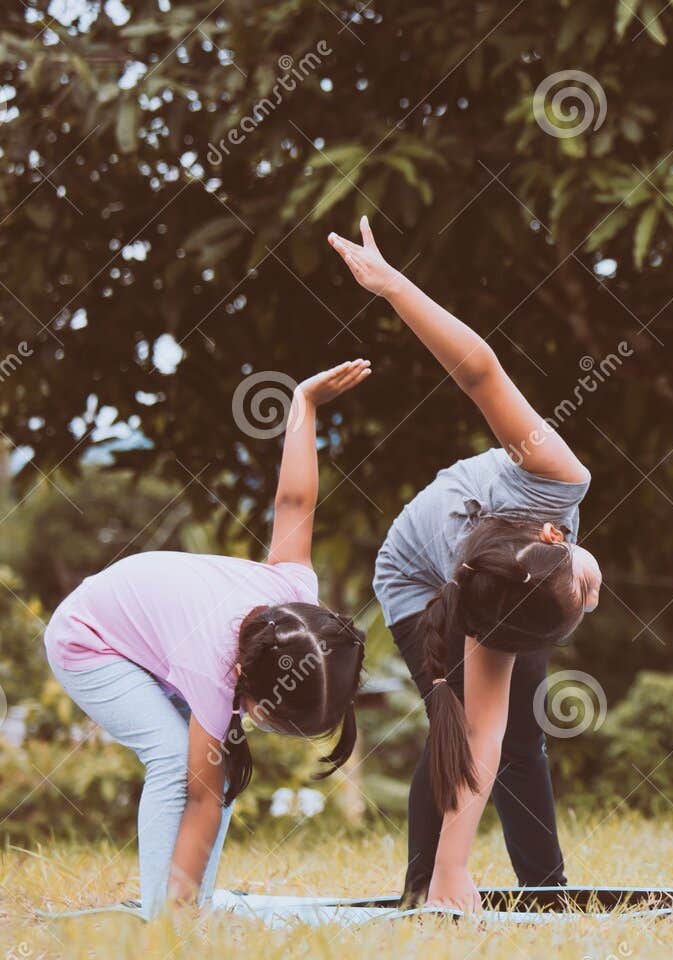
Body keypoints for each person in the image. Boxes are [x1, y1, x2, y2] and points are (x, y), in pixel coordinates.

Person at [329, 218, 601, 913]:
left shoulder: (554, 472)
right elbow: (476, 732)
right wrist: (454, 872)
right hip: (415, 578)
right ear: (552, 536)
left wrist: (393, 286)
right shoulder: (487, 597)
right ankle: (427, 887)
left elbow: (479, 371)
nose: (594, 596)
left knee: (522, 729)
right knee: (457, 717)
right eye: (586, 594)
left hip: (494, 571)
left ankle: (545, 891)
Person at [45, 360, 370, 917]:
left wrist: (304, 404)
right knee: (177, 759)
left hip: (147, 634)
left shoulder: (295, 594)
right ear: (252, 688)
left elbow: (294, 502)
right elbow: (198, 796)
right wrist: (174, 918)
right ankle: (164, 914)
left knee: (215, 772)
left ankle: (186, 904)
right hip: (88, 642)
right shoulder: (213, 670)